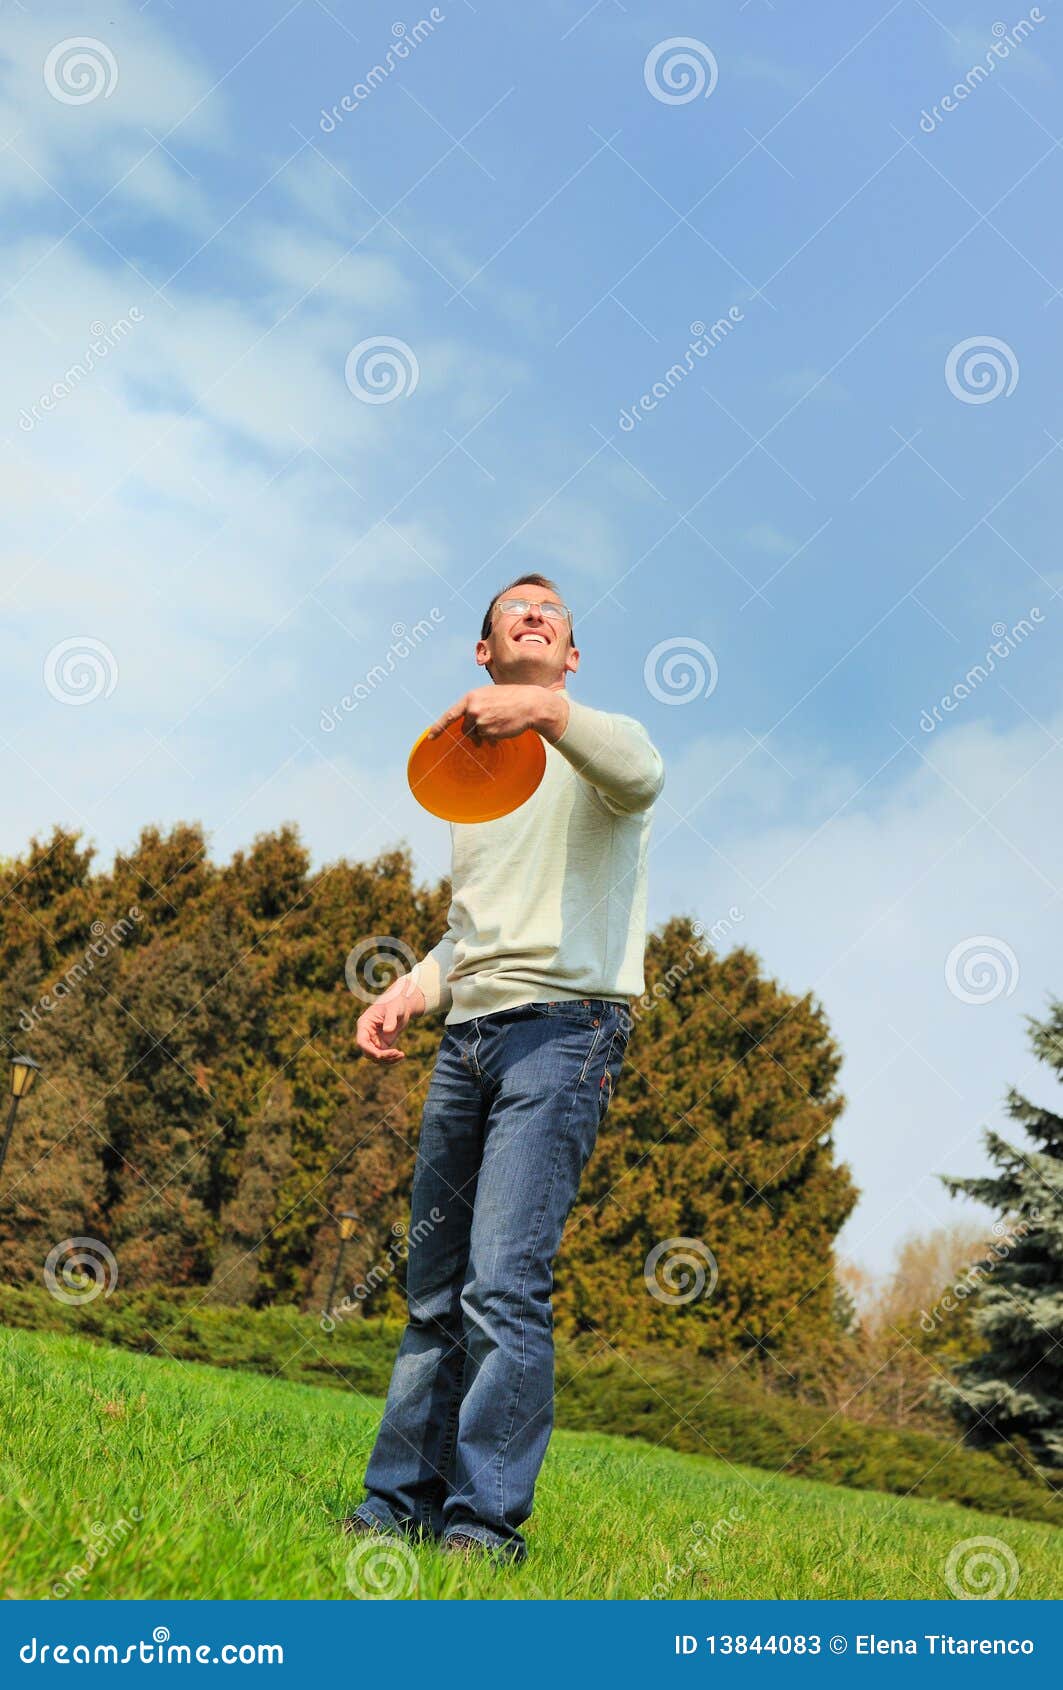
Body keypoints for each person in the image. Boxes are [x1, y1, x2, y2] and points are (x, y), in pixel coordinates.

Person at [343, 573, 664, 1563]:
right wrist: (411, 989)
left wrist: (543, 712)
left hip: (564, 1036)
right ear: (481, 653)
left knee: (502, 1284)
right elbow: (473, 933)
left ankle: (481, 1524)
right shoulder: (472, 789)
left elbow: (644, 774)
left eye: (552, 613)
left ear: (567, 658)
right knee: (434, 1290)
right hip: (470, 1038)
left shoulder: (601, 749)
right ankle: (396, 1502)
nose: (532, 614)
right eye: (511, 612)